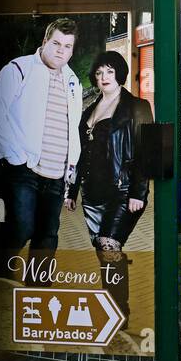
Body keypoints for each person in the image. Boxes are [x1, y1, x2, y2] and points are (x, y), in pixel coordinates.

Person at [0, 18, 82, 277]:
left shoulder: (73, 83)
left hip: (56, 174)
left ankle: (39, 293)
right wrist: (13, 156)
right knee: (21, 228)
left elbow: (73, 127)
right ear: (45, 42)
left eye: (67, 46)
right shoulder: (19, 69)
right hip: (25, 169)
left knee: (47, 236)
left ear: (72, 50)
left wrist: (71, 167)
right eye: (56, 43)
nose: (61, 50)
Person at [66, 51, 153, 324]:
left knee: (109, 244)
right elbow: (79, 153)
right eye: (99, 73)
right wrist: (71, 192)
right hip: (92, 194)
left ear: (119, 74)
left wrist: (139, 192)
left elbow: (145, 150)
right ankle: (111, 307)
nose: (103, 77)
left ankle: (119, 312)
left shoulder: (137, 106)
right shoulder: (89, 109)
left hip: (123, 191)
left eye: (109, 72)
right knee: (103, 253)